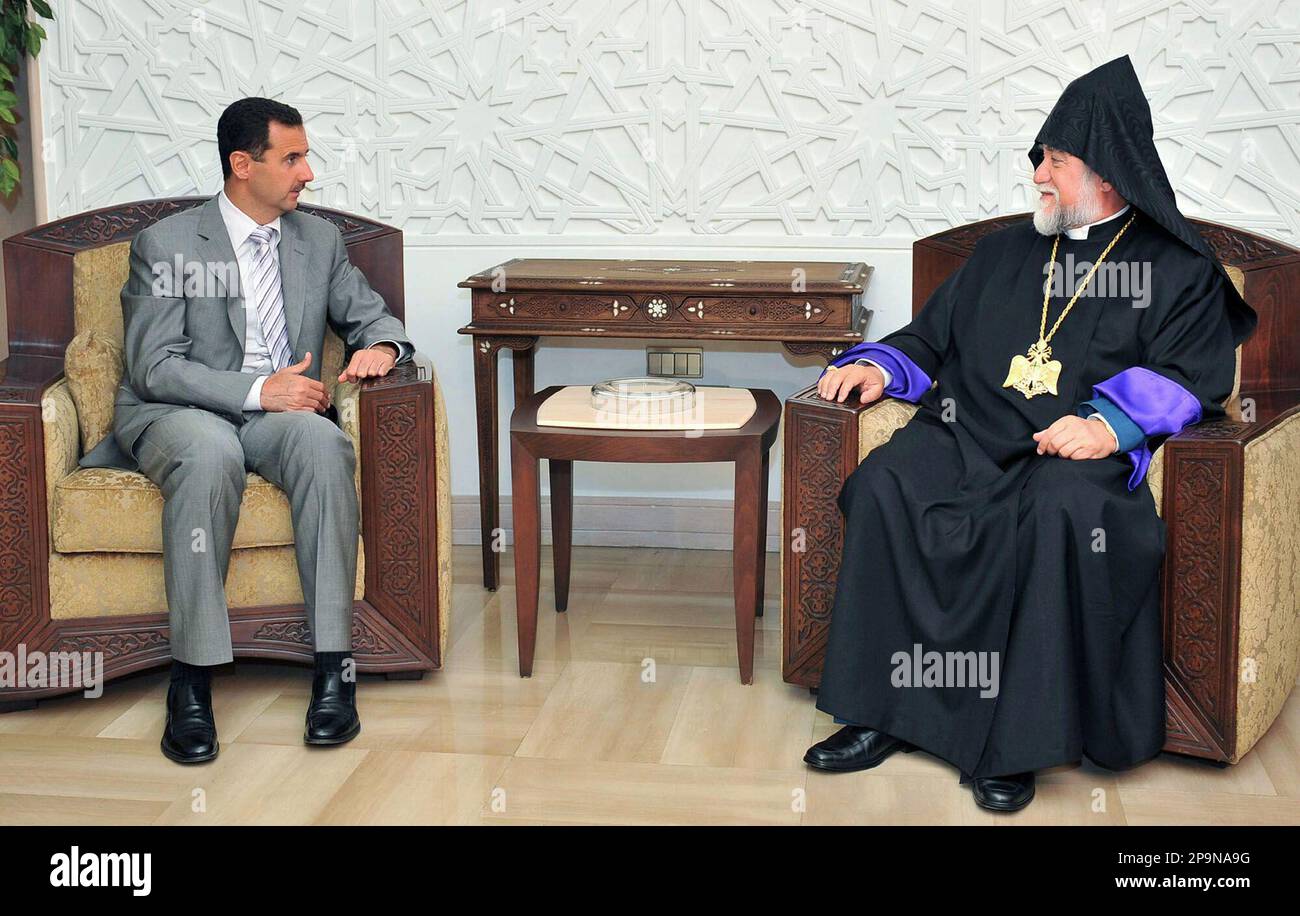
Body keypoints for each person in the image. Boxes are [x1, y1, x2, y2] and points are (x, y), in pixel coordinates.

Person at [802, 56, 1256, 812]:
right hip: (969, 437)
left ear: (1107, 174)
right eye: (1039, 156)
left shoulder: (1173, 269)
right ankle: (879, 710)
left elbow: (1191, 375)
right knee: (887, 481)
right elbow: (932, 337)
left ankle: (1014, 746)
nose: (1039, 174)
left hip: (1070, 459)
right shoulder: (1005, 251)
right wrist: (883, 368)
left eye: (1057, 160)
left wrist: (1110, 426)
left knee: (1059, 511)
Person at [80, 98, 414, 764]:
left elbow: (371, 317)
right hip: (181, 413)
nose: (308, 173)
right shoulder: (169, 244)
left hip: (277, 419)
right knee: (210, 453)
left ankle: (332, 670)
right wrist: (262, 389)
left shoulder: (317, 241)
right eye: (291, 158)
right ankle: (191, 682)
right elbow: (153, 366)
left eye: (306, 156)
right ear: (242, 164)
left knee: (322, 444)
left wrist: (382, 348)